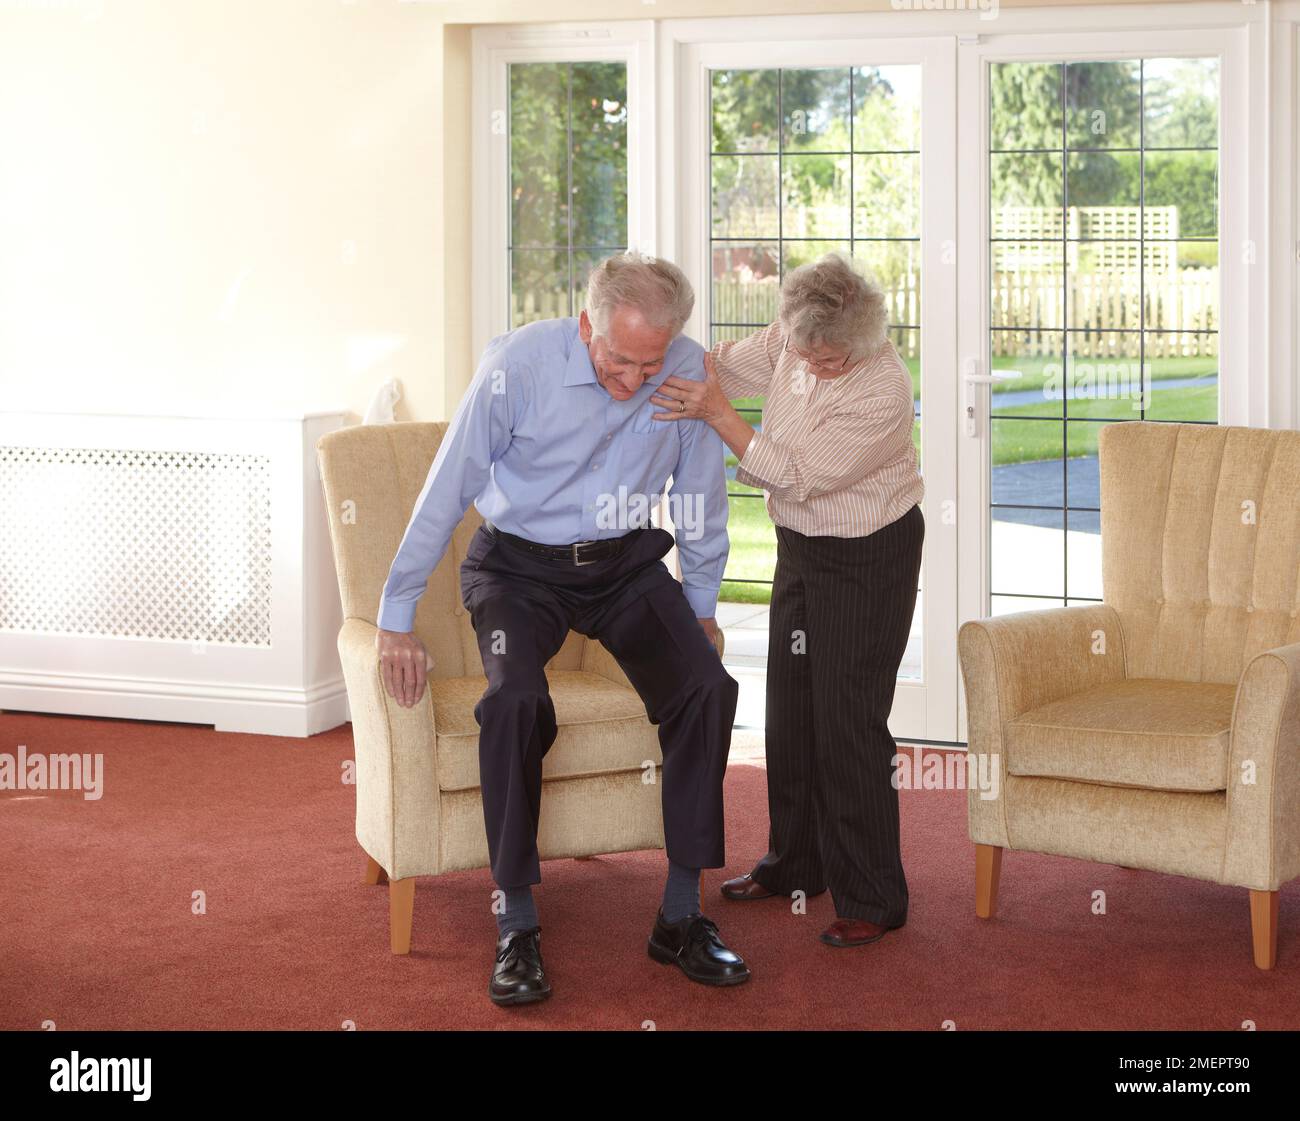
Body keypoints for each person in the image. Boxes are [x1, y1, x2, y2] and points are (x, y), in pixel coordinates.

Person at [374, 252, 749, 1005]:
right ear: (586, 325)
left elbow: (701, 498)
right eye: (617, 358)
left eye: (650, 361)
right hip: (518, 568)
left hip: (625, 566)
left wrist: (701, 605)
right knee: (514, 700)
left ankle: (680, 914)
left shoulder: (684, 373)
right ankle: (515, 922)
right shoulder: (518, 368)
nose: (632, 380)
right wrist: (394, 613)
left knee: (707, 688)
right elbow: (447, 488)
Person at [650, 252, 924, 948]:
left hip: (867, 554)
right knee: (792, 711)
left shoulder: (883, 389)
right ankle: (795, 865)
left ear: (861, 345)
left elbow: (798, 475)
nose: (815, 365)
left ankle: (875, 894)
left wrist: (718, 415)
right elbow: (716, 365)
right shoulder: (790, 339)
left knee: (848, 719)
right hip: (801, 548)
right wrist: (657, 362)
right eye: (806, 352)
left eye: (830, 359)